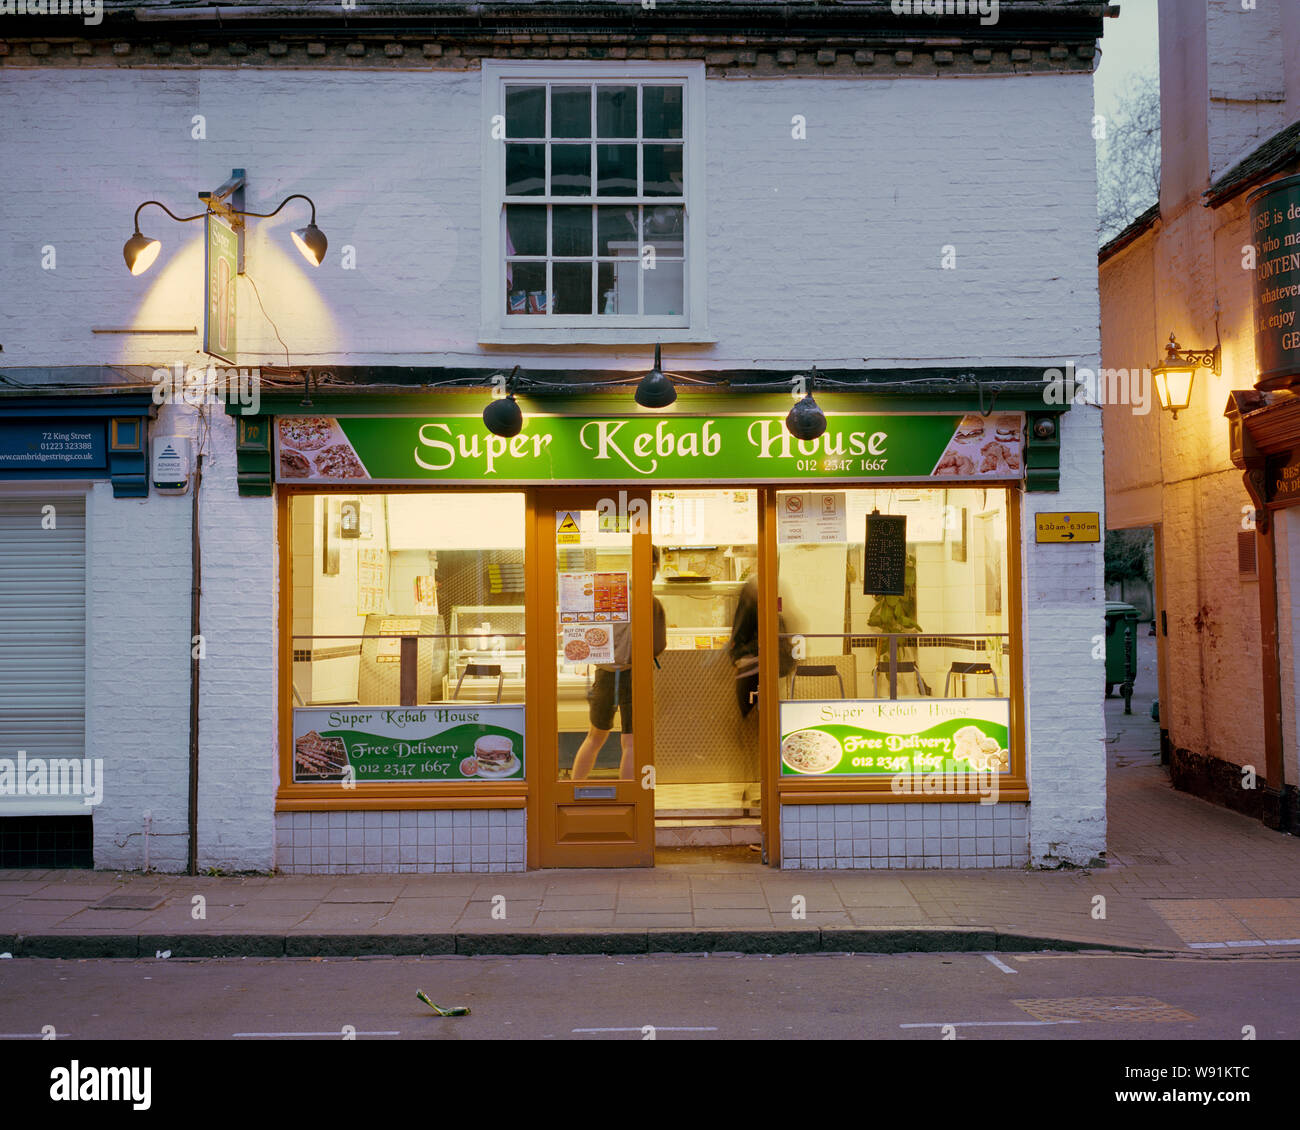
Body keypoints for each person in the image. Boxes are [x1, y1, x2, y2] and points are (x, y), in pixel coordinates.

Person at [570, 547, 667, 780]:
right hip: (635, 675)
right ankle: (629, 797)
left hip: (605, 675)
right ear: (655, 566)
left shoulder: (611, 596)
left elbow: (588, 634)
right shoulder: (650, 601)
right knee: (631, 742)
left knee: (594, 737)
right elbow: (658, 644)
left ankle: (574, 789)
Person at [728, 574, 795, 717]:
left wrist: (737, 654)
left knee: (755, 716)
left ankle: (760, 737)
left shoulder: (753, 587)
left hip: (754, 666)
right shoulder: (771, 584)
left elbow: (741, 627)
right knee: (767, 716)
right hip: (771, 667)